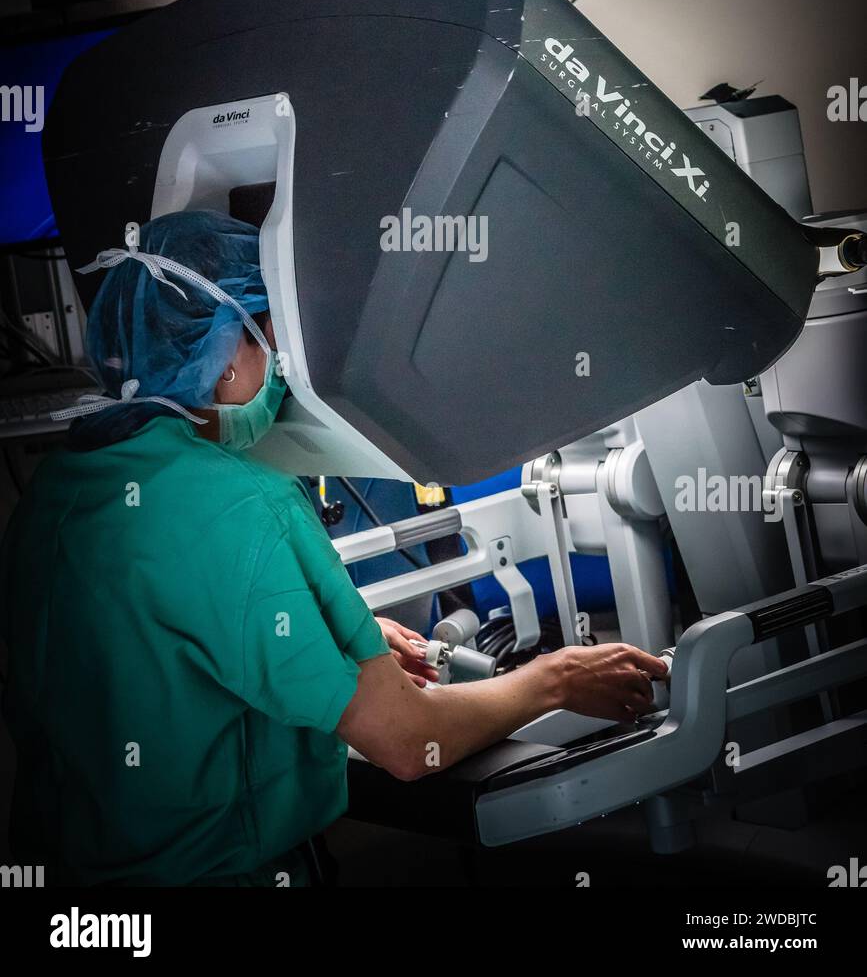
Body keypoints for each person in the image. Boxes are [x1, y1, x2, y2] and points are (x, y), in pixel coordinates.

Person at [0, 210, 666, 886]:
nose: (282, 370)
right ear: (229, 352)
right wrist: (554, 679)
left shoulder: (60, 486)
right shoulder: (241, 499)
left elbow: (152, 645)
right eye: (270, 341)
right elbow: (408, 744)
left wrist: (325, 640)